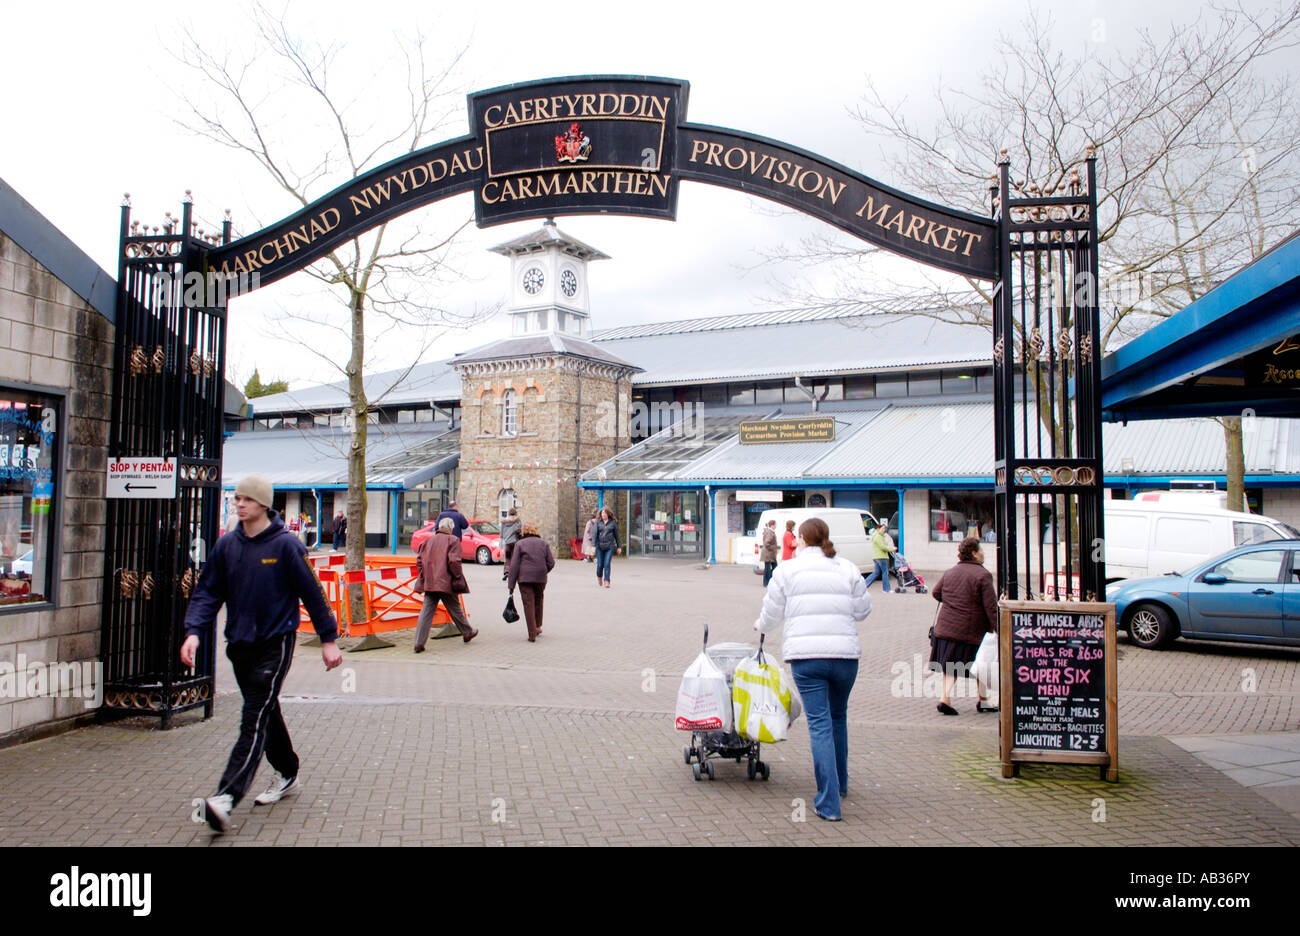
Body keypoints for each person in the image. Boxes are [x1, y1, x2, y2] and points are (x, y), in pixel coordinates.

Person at [180, 473, 342, 835]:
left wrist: (328, 638)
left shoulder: (286, 546)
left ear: (264, 505)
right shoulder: (227, 547)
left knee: (253, 716)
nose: (240, 504)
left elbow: (313, 594)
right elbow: (208, 592)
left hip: (276, 641)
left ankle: (225, 797)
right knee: (265, 711)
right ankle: (287, 772)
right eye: (237, 498)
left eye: (247, 499)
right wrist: (193, 632)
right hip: (240, 644)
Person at [755, 517, 870, 822]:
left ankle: (829, 803)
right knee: (838, 718)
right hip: (845, 658)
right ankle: (841, 784)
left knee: (819, 724)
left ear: (802, 539)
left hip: (807, 659)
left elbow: (772, 612)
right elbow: (863, 611)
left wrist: (761, 626)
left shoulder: (788, 570)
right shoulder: (846, 568)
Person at [929, 535, 999, 716]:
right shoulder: (983, 575)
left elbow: (936, 592)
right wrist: (999, 629)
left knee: (950, 665)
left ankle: (945, 697)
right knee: (981, 663)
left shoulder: (950, 572)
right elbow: (991, 607)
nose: (983, 553)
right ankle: (983, 700)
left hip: (945, 628)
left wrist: (954, 600)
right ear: (974, 553)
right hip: (970, 631)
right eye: (981, 550)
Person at [413, 516, 478, 651]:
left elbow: (419, 561)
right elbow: (454, 561)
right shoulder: (453, 540)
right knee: (455, 608)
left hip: (430, 582)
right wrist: (458, 576)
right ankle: (467, 632)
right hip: (445, 582)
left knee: (426, 612)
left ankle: (419, 642)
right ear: (450, 528)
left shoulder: (428, 541)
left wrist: (424, 575)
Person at [507, 522, 555, 641]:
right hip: (540, 577)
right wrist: (543, 571)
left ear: (524, 531)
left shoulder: (520, 544)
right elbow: (551, 562)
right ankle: (538, 626)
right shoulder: (543, 543)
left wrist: (511, 585)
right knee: (539, 601)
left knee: (528, 604)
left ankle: (532, 634)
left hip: (525, 578)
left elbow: (514, 565)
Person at [863, 520, 896, 593]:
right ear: (878, 529)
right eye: (882, 528)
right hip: (881, 557)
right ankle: (886, 589)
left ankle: (864, 585)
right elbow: (882, 547)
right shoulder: (878, 536)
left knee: (876, 573)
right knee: (885, 572)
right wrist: (892, 549)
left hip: (876, 557)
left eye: (884, 529)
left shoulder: (876, 536)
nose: (884, 530)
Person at [594, 507, 620, 587]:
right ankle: (599, 576)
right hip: (599, 546)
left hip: (609, 546)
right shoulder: (598, 522)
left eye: (605, 513)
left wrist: (619, 546)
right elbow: (594, 534)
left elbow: (617, 536)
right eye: (602, 513)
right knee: (600, 565)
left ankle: (607, 581)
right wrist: (593, 546)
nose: (603, 515)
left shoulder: (613, 523)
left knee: (607, 564)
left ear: (608, 514)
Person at [499, 508, 522, 581]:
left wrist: (501, 543)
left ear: (508, 513)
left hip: (507, 543)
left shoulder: (503, 522)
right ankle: (515, 574)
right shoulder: (518, 521)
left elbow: (501, 534)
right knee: (515, 558)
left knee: (508, 558)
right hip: (515, 542)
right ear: (515, 513)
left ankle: (506, 572)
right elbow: (520, 529)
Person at [759, 519, 778, 586]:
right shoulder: (770, 532)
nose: (776, 526)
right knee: (768, 568)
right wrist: (773, 548)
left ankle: (769, 581)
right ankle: (766, 582)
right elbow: (767, 543)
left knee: (773, 567)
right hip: (768, 554)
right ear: (772, 525)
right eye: (775, 524)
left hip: (770, 554)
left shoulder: (770, 532)